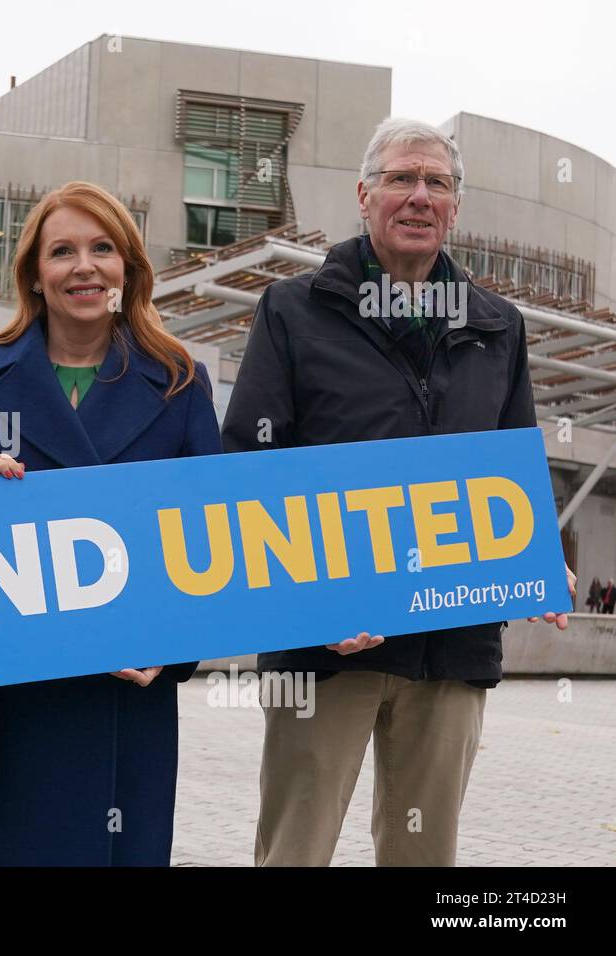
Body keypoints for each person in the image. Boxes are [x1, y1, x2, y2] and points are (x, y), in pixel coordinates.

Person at [223, 117, 575, 867]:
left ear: (455, 206)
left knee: (424, 858)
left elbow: (515, 467)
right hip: (323, 648)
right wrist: (316, 603)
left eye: (437, 183)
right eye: (400, 178)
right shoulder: (293, 310)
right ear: (364, 194)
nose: (419, 196)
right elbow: (247, 471)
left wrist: (538, 554)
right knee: (295, 850)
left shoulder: (497, 326)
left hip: (451, 648)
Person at [0, 181, 221, 866]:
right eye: (62, 251)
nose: (83, 266)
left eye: (102, 248)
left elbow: (210, 546)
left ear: (129, 268)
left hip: (121, 711)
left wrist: (168, 651)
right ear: (34, 274)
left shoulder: (180, 382)